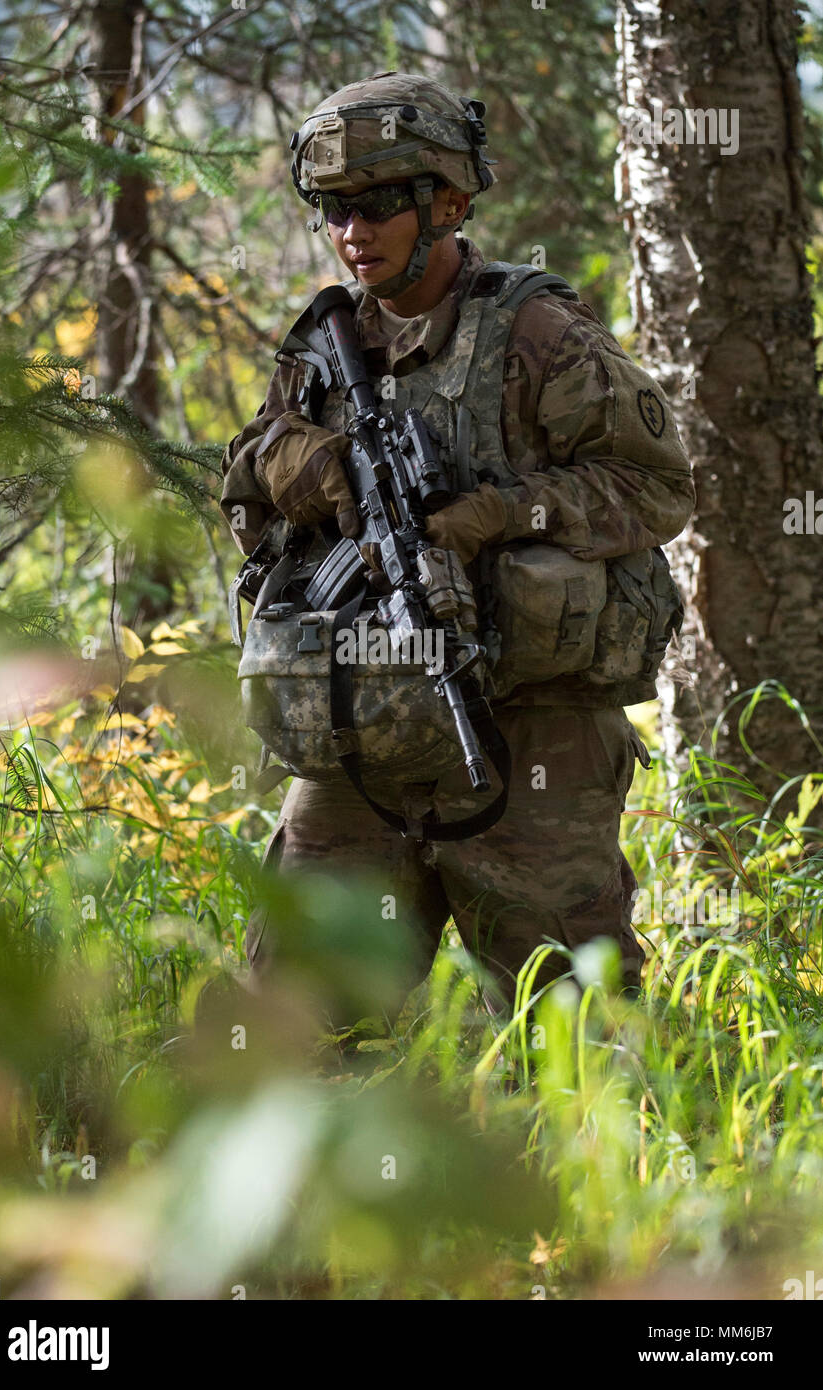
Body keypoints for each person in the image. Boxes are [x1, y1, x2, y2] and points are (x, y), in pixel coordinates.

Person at [218, 71, 695, 1020]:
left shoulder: (537, 332)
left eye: (381, 204)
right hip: (360, 733)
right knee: (300, 1013)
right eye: (333, 210)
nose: (354, 231)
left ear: (448, 202)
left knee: (568, 1026)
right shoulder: (323, 343)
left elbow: (658, 487)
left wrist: (505, 513)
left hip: (523, 727)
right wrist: (295, 467)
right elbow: (245, 488)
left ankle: (593, 1169)